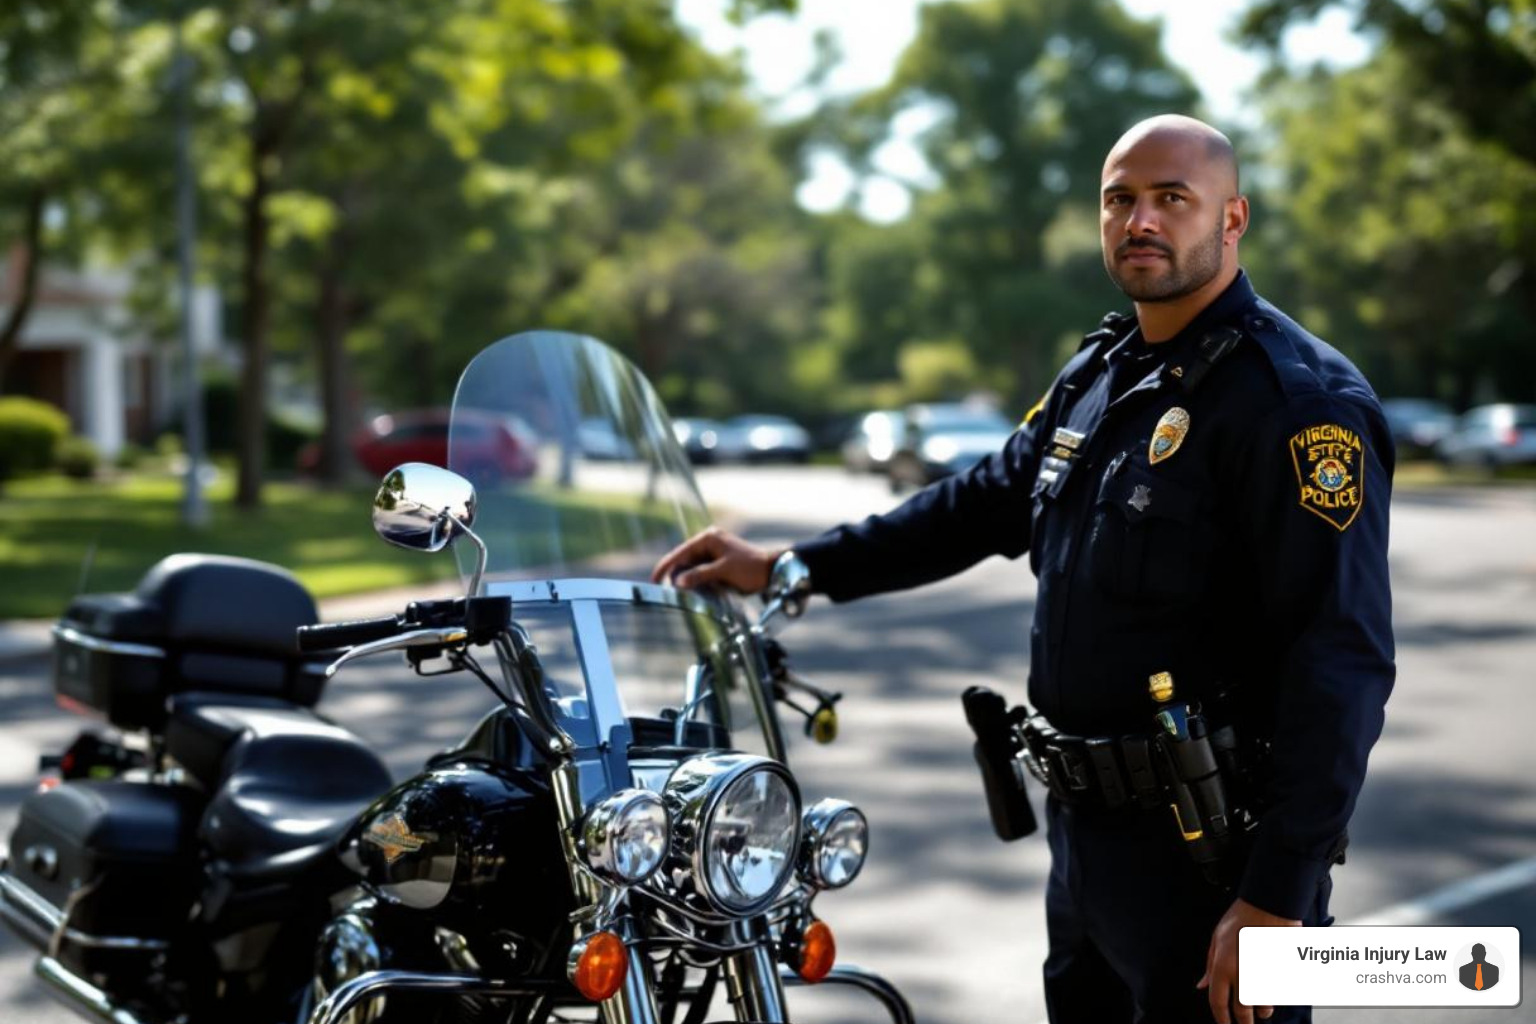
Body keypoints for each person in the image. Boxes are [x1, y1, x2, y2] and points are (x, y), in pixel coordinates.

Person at [651, 114, 1394, 1024]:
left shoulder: (1295, 402)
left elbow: (1340, 656)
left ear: (1232, 219)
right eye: (1120, 200)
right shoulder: (1100, 374)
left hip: (1215, 863)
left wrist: (1280, 892)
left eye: (1172, 200)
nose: (1140, 222)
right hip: (1085, 844)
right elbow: (977, 504)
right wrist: (791, 565)